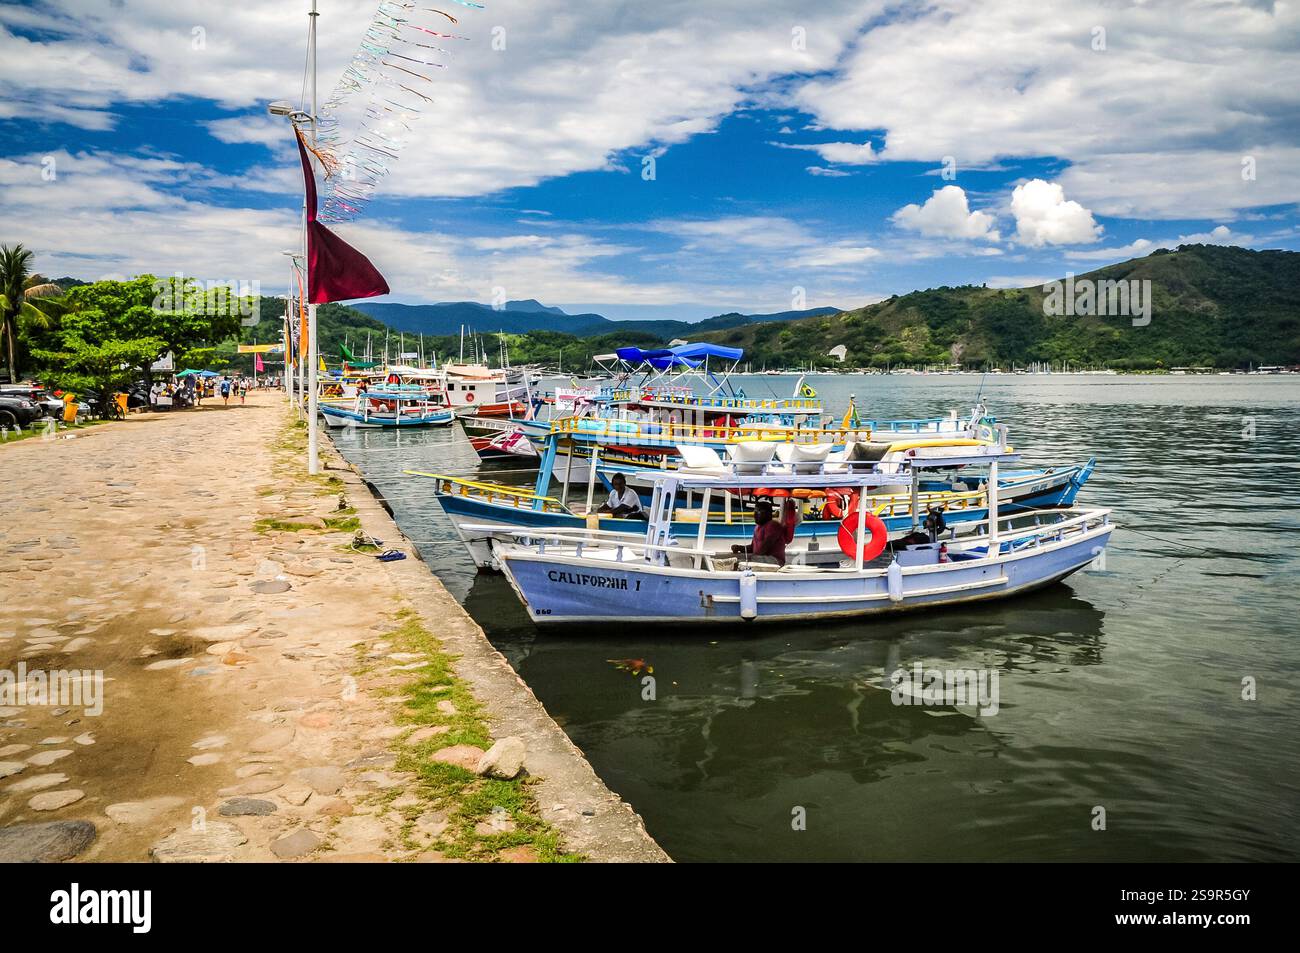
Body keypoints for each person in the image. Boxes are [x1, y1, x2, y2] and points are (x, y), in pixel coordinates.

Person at [731, 500, 786, 566]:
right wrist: (739, 548)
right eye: (755, 511)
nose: (755, 514)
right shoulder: (758, 527)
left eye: (758, 511)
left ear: (768, 513)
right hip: (760, 558)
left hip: (775, 561)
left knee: (738, 562)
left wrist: (746, 558)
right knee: (735, 559)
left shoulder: (773, 525)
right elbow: (753, 548)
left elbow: (764, 548)